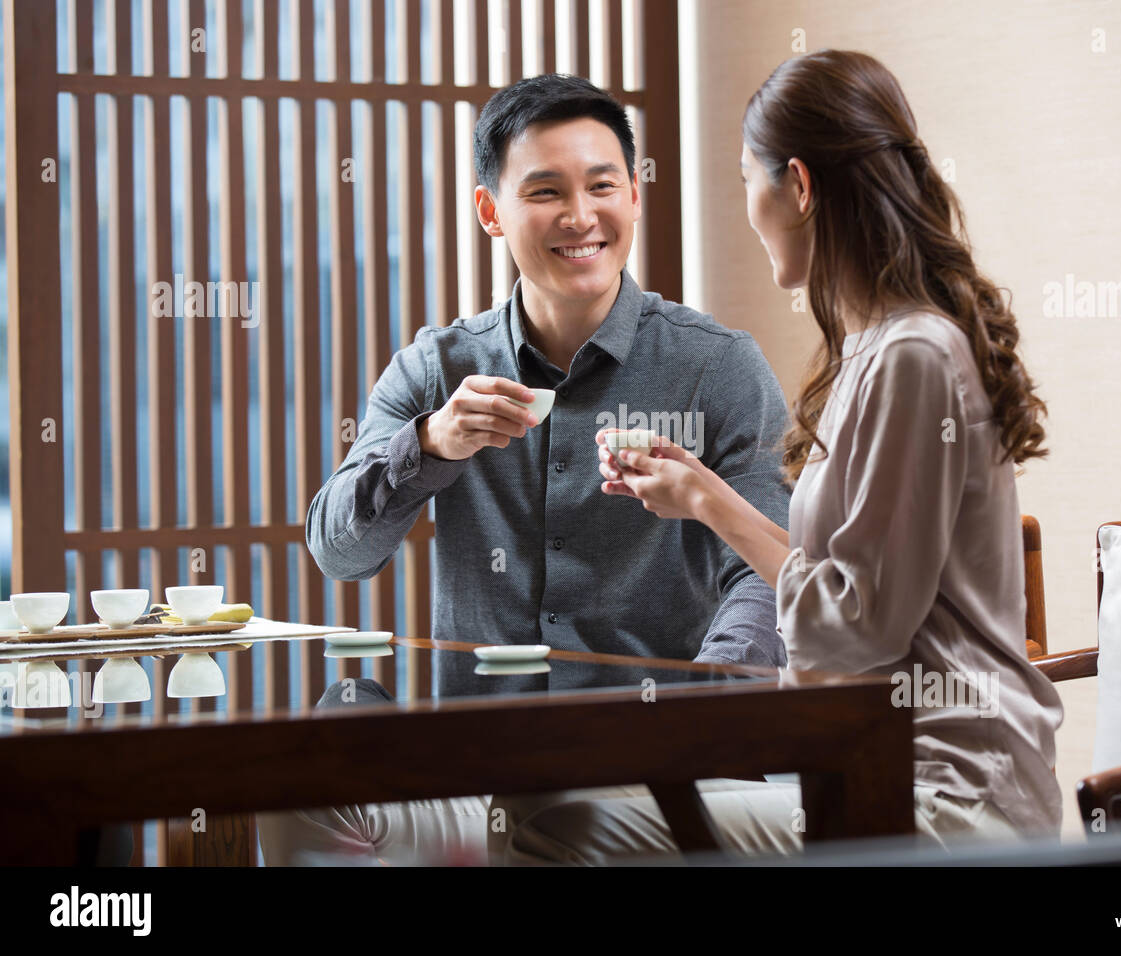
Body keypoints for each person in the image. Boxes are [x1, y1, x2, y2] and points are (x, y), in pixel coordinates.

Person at [504, 49, 1066, 864]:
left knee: (561, 826)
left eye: (747, 179)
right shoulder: (875, 348)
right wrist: (699, 492)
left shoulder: (913, 356)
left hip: (945, 793)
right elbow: (843, 588)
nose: (747, 208)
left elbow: (857, 629)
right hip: (866, 766)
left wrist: (712, 505)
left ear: (797, 186)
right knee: (548, 798)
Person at [257, 73, 792, 865]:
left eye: (602, 186)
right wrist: (429, 445)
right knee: (303, 780)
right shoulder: (436, 370)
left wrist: (705, 709)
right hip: (479, 771)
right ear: (490, 211)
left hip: (653, 777)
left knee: (569, 819)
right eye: (546, 191)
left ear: (634, 196)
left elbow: (769, 571)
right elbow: (340, 551)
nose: (580, 216)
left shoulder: (716, 368)